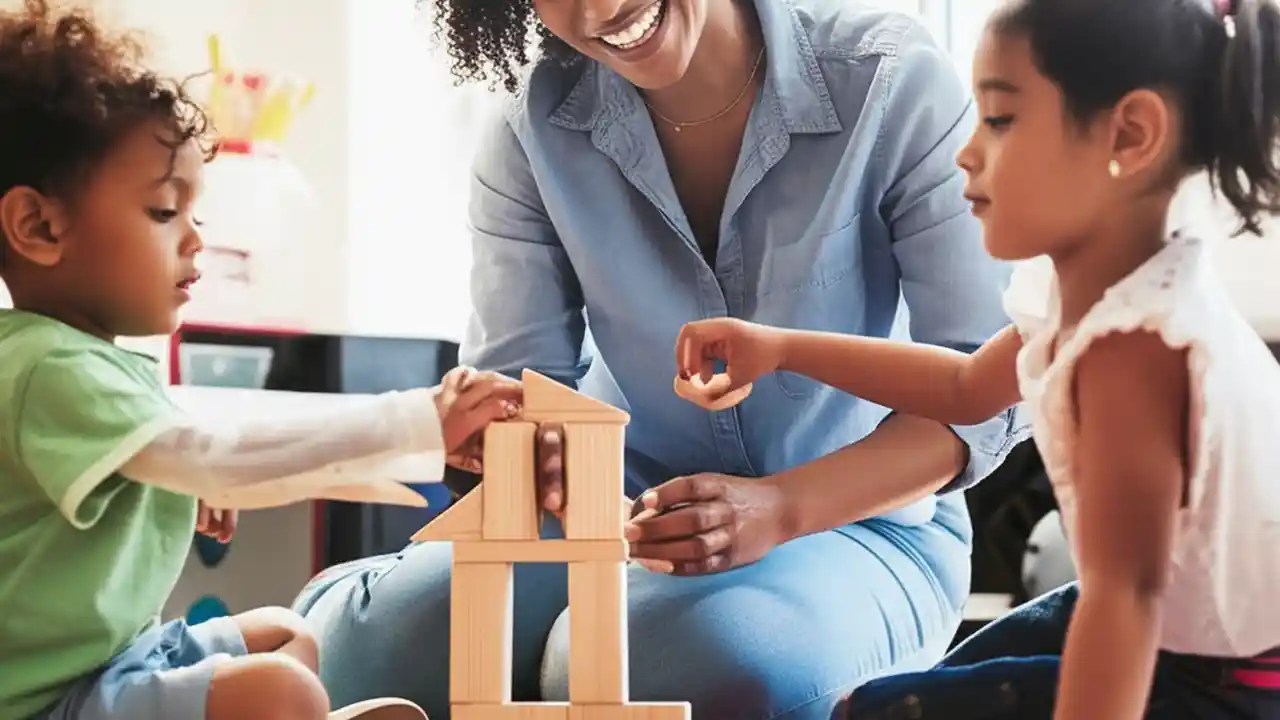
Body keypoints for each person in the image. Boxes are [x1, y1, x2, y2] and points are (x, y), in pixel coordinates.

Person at [295, 0, 1027, 717]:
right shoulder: (530, 127)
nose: (602, 7)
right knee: (373, 645)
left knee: (661, 660)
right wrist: (516, 442)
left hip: (858, 529)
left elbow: (979, 392)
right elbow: (524, 391)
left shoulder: (890, 79)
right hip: (614, 518)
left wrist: (778, 507)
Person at [673, 0, 1280, 717]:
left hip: (1217, 679)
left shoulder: (1135, 348)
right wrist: (779, 348)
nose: (966, 152)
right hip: (1170, 619)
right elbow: (963, 387)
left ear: (1130, 134)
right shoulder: (1088, 292)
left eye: (998, 120)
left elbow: (1128, 599)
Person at [0, 3, 522, 718]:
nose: (195, 241)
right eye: (162, 212)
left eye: (193, 213)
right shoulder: (48, 366)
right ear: (39, 226)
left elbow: (168, 462)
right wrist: (415, 420)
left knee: (288, 639)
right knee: (280, 691)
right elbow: (211, 453)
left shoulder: (81, 359)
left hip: (113, 662)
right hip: (45, 700)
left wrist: (170, 488)